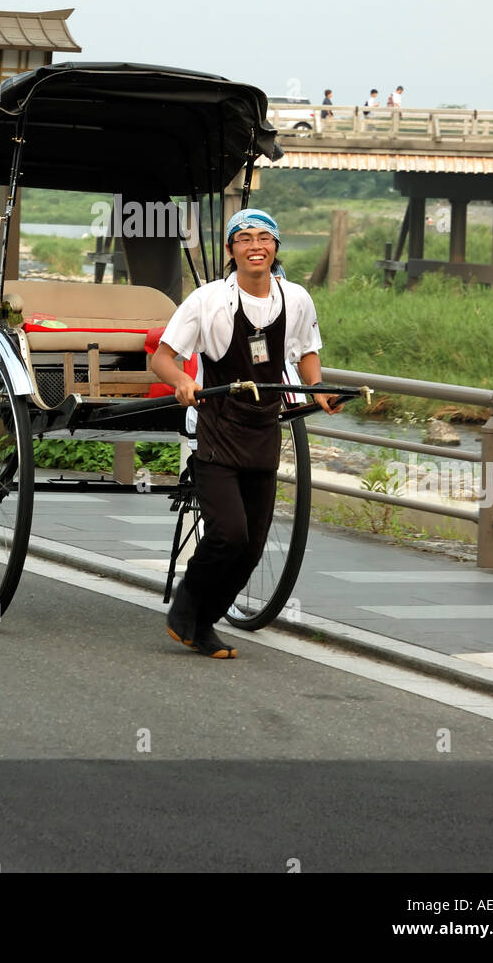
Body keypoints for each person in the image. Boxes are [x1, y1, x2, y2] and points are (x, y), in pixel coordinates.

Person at [150, 209, 342, 658]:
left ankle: (203, 623)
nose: (255, 246)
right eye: (244, 239)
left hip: (263, 431)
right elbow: (162, 358)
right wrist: (181, 381)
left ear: (276, 247)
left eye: (264, 238)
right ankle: (186, 610)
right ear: (231, 250)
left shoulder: (295, 299)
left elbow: (307, 355)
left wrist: (318, 393)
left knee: (253, 547)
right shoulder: (208, 300)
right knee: (229, 535)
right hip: (215, 429)